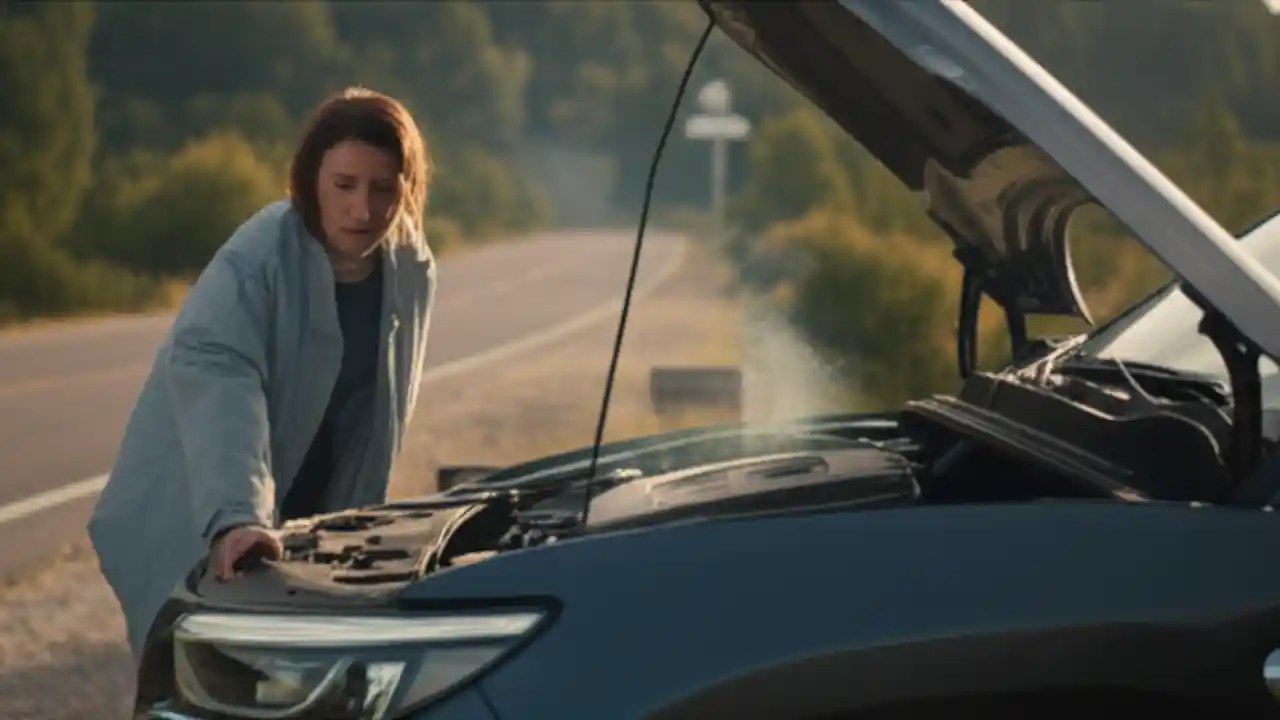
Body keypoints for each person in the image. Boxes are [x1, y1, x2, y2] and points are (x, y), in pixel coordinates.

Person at [87, 86, 438, 664]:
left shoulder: (410, 267)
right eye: (344, 185)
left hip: (315, 524)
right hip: (206, 510)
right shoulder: (257, 258)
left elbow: (377, 420)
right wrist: (238, 517)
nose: (362, 210)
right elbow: (220, 379)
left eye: (383, 188)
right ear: (311, 179)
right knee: (207, 676)